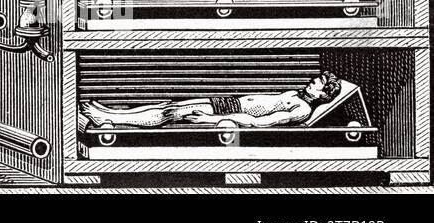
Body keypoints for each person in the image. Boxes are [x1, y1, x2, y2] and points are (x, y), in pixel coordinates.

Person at [79, 72, 343, 130]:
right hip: (228, 102)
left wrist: (212, 120)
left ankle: (109, 119)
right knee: (168, 106)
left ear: (323, 95)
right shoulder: (295, 95)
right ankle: (112, 113)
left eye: (318, 84)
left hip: (230, 110)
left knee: (172, 115)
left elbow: (256, 122)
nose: (312, 82)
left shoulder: (301, 108)